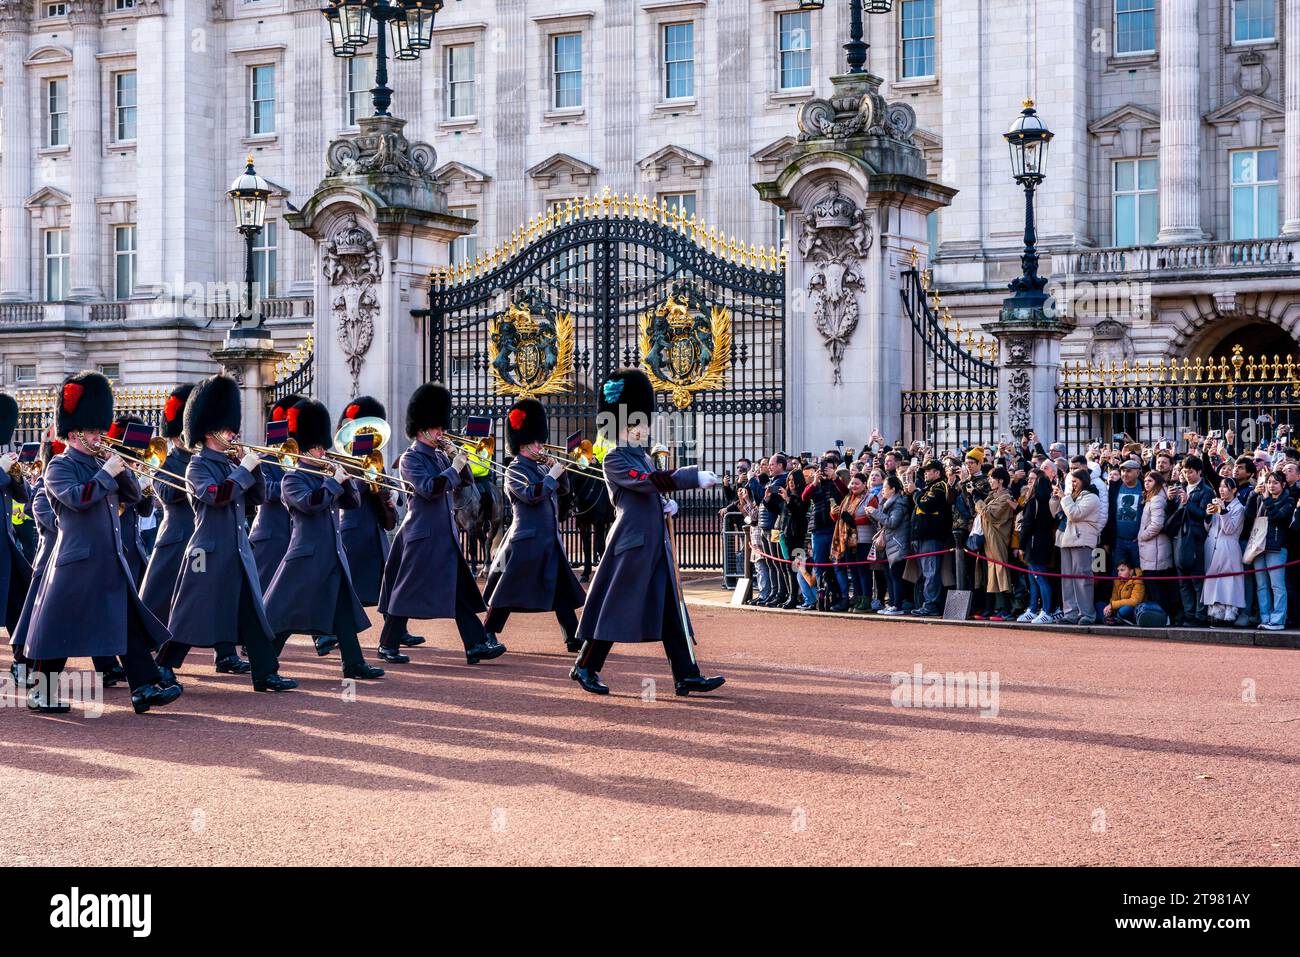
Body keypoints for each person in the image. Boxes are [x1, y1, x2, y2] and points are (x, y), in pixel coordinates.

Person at [21, 371, 181, 714]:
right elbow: (78, 499)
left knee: (128, 623)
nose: (99, 436)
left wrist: (121, 471)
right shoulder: (59, 467)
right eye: (94, 431)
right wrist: (106, 472)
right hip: (75, 560)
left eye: (98, 430)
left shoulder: (100, 462)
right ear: (76, 432)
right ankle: (40, 691)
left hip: (109, 558)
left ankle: (145, 687)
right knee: (58, 629)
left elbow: (136, 496)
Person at [570, 368, 725, 696]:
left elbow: (653, 487)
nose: (646, 427)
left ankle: (686, 674)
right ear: (626, 424)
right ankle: (585, 666)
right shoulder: (613, 458)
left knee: (671, 607)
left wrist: (666, 505)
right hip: (633, 543)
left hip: (654, 543)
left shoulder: (641, 455)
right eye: (640, 422)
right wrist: (689, 479)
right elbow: (645, 484)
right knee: (617, 606)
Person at [158, 374, 297, 692]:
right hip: (206, 551)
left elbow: (257, 499)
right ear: (209, 432)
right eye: (226, 429)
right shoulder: (197, 466)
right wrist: (243, 470)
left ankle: (265, 673)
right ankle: (163, 664)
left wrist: (255, 468)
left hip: (236, 547)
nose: (233, 434)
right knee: (191, 609)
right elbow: (216, 496)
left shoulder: (228, 463)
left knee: (252, 610)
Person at [376, 383, 505, 665]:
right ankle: (387, 644)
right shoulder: (410, 459)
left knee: (460, 589)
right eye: (436, 429)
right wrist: (454, 466)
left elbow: (466, 481)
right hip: (421, 533)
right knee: (407, 589)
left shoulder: (437, 454)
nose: (441, 432)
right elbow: (428, 488)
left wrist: (457, 459)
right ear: (421, 429)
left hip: (444, 533)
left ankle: (475, 644)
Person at [262, 399, 384, 681]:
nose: (323, 451)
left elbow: (351, 504)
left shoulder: (323, 474)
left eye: (322, 446)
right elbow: (310, 504)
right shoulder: (292, 479)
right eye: (318, 447)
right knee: (284, 614)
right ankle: (265, 666)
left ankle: (354, 664)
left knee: (343, 611)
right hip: (305, 555)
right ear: (305, 449)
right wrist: (332, 481)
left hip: (331, 553)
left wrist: (346, 480)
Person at [483, 398, 586, 650]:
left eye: (540, 441)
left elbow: (562, 492)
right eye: (537, 442)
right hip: (525, 539)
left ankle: (572, 636)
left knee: (561, 588)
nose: (541, 446)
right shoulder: (515, 470)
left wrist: (558, 472)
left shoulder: (540, 467)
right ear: (523, 445)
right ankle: (486, 633)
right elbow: (531, 495)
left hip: (548, 537)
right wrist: (550, 475)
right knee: (508, 589)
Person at [335, 396, 413, 648]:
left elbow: (388, 485)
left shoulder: (372, 459)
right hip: (354, 531)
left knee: (389, 582)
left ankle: (397, 631)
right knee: (349, 588)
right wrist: (370, 481)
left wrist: (389, 492)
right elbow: (350, 492)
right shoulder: (343, 460)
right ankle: (328, 633)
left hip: (375, 530)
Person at [249, 393, 302, 591]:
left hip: (296, 537)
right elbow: (265, 491)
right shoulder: (263, 459)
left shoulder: (301, 463)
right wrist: (296, 488)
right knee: (265, 593)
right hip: (270, 537)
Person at [0, 392, 32, 649]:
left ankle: (22, 661)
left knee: (17, 603)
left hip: (6, 542)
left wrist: (17, 475)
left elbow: (23, 496)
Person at [1166, 455, 1214, 626]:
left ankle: (1200, 615)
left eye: (1191, 472)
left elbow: (1205, 515)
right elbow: (1171, 514)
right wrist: (1171, 500)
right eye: (1185, 472)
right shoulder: (1181, 488)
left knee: (1196, 579)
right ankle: (1188, 614)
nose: (1187, 475)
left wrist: (1187, 504)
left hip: (1195, 539)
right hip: (1179, 537)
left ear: (1199, 472)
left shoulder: (1206, 491)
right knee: (1183, 581)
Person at [1054, 469, 1102, 626]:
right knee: (1067, 579)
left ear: (1084, 480)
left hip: (1082, 540)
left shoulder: (1092, 497)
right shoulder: (1072, 496)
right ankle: (1071, 612)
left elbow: (1075, 514)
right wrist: (1056, 498)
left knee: (1082, 579)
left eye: (1075, 481)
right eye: (1071, 481)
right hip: (1067, 539)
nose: (1072, 484)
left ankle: (1087, 613)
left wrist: (1064, 498)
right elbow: (1057, 513)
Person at [1201, 477, 1247, 625]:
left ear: (1234, 490)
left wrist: (1223, 511)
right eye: (1220, 486)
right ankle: (1215, 613)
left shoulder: (1239, 508)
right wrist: (1208, 516)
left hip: (1229, 546)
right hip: (1212, 544)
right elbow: (1209, 528)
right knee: (1213, 581)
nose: (1221, 489)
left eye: (1225, 487)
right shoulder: (1217, 503)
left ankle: (1230, 614)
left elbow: (1229, 529)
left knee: (1229, 580)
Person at [1016, 468, 1057, 624]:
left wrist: (1021, 545)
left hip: (1033, 542)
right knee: (1034, 578)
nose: (1029, 482)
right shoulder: (1049, 500)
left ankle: (1045, 611)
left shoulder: (1035, 501)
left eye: (1032, 480)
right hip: (1043, 541)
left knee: (1039, 578)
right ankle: (1033, 609)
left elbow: (1027, 525)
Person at [909, 460, 950, 616]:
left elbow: (926, 505)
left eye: (929, 470)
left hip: (932, 536)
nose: (925, 473)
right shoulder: (929, 487)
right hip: (923, 536)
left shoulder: (939, 486)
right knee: (926, 572)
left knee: (931, 572)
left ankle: (931, 604)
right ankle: (926, 603)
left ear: (937, 473)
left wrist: (915, 492)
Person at [1252, 470, 1291, 631]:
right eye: (1269, 482)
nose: (1271, 485)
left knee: (1277, 585)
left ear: (1282, 485)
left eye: (1275, 482)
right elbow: (1249, 515)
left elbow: (1277, 518)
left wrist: (1267, 499)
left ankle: (1278, 619)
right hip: (1258, 546)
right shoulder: (1261, 498)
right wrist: (1255, 495)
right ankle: (1265, 617)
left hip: (1276, 547)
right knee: (1261, 585)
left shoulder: (1288, 501)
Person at [974, 466, 1014, 621]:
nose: (990, 481)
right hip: (987, 540)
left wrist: (977, 499)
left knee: (1000, 573)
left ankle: (1005, 609)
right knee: (988, 574)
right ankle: (990, 608)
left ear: (1001, 480)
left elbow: (990, 514)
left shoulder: (1006, 497)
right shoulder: (992, 495)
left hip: (998, 540)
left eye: (992, 478)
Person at [869, 475, 911, 615]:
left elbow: (892, 523)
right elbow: (883, 524)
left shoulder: (899, 503)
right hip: (890, 545)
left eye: (885, 488)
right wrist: (873, 514)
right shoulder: (887, 503)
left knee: (895, 576)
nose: (882, 491)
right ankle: (892, 603)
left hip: (897, 544)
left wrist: (875, 512)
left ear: (893, 489)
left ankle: (897, 605)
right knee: (889, 576)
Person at [1136, 470, 1174, 618]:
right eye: (1145, 481)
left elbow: (1157, 525)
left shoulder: (1157, 499)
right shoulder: (1152, 497)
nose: (1146, 483)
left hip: (1155, 550)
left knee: (1156, 587)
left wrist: (1141, 536)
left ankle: (1164, 616)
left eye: (1150, 481)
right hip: (1152, 549)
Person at [830, 472, 870, 613]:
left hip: (863, 539)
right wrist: (834, 513)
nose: (853, 486)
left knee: (863, 570)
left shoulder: (869, 497)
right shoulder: (847, 498)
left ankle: (866, 598)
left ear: (864, 484)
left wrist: (854, 521)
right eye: (852, 483)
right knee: (853, 570)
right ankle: (858, 596)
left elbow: (871, 517)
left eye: (857, 483)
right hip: (846, 540)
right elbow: (839, 518)